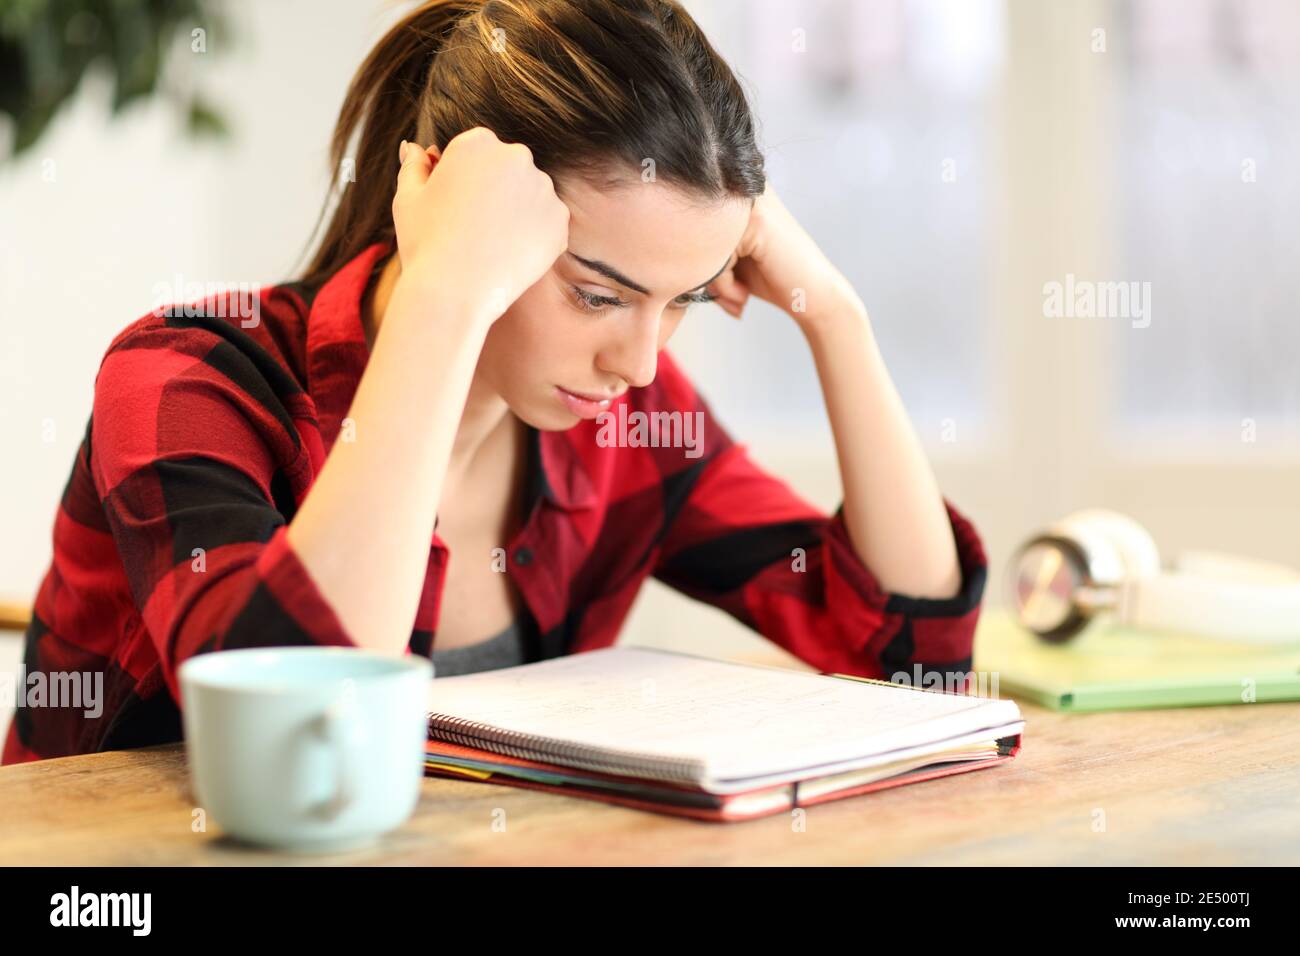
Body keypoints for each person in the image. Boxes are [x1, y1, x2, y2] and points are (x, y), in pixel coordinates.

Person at [3, 0, 988, 765]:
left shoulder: (628, 421)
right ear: (460, 209)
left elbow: (913, 657)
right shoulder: (188, 377)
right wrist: (442, 293)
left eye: (683, 296)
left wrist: (835, 316)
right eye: (598, 294)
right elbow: (297, 717)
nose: (639, 362)